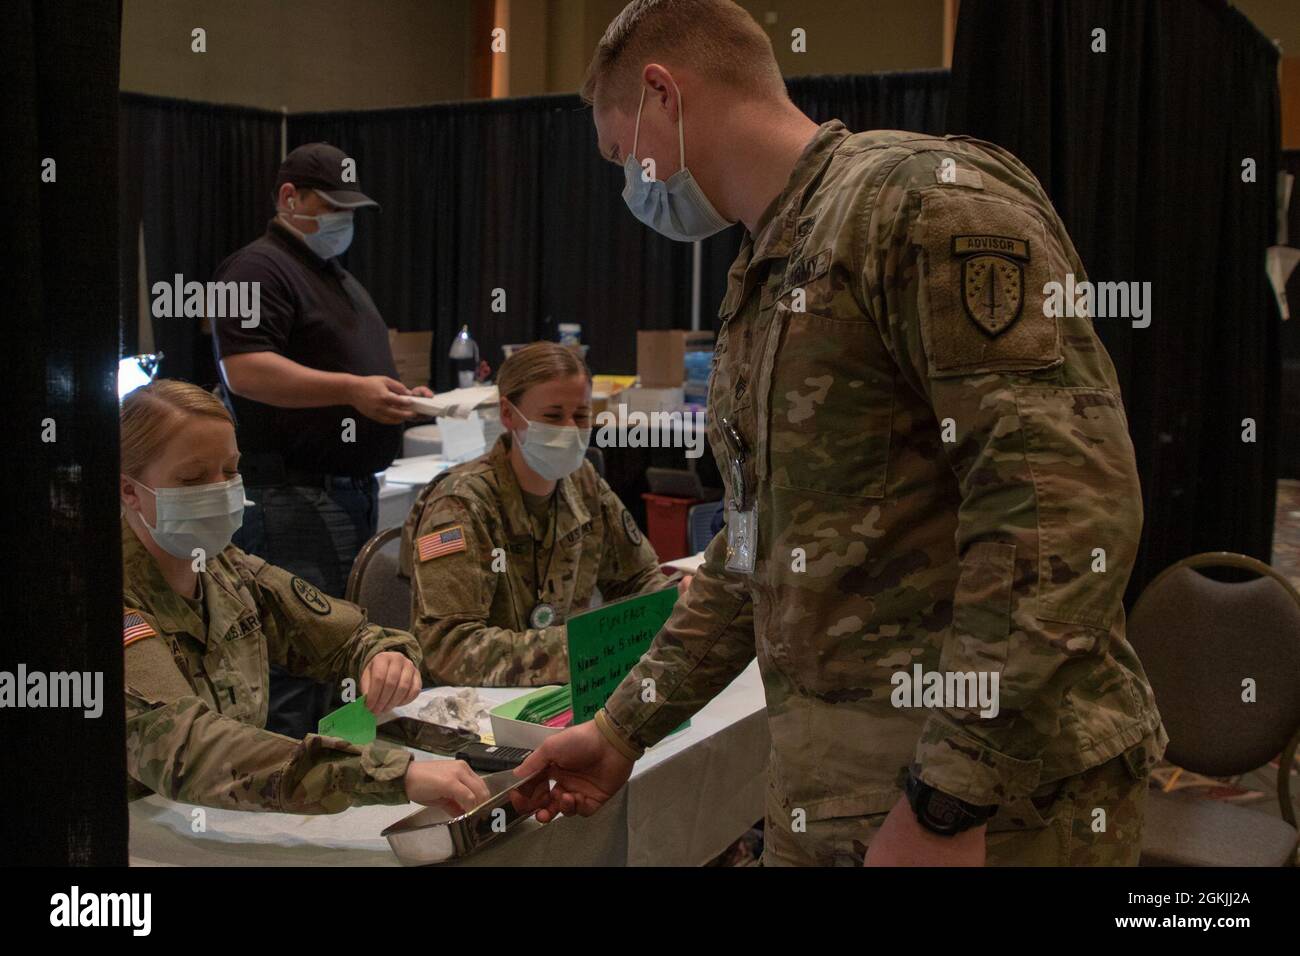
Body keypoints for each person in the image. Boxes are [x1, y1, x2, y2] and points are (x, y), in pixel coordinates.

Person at [515, 0, 1166, 867]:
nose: (627, 183)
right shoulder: (764, 271)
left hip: (999, 811)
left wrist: (949, 798)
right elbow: (747, 554)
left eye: (616, 154)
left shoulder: (918, 205)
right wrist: (621, 728)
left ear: (661, 94)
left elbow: (1061, 516)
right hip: (841, 792)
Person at [120, 379, 488, 815]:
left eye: (231, 470)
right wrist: (391, 774)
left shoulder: (224, 568)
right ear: (129, 491)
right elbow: (187, 745)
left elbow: (346, 636)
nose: (219, 488)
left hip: (222, 827)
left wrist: (382, 656)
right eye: (193, 477)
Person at [210, 142, 432, 737]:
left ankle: (340, 781)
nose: (345, 221)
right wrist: (353, 390)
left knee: (341, 653)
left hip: (342, 494)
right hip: (292, 498)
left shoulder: (330, 274)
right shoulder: (258, 269)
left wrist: (390, 394)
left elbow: (343, 370)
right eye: (333, 206)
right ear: (290, 198)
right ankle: (289, 797)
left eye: (352, 209)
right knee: (297, 663)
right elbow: (246, 370)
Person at [400, 342, 679, 686]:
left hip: (562, 695)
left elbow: (637, 580)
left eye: (580, 415)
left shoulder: (583, 482)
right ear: (508, 414)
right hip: (469, 710)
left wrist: (674, 602)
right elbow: (446, 650)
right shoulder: (461, 504)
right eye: (552, 416)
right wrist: (582, 647)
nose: (569, 428)